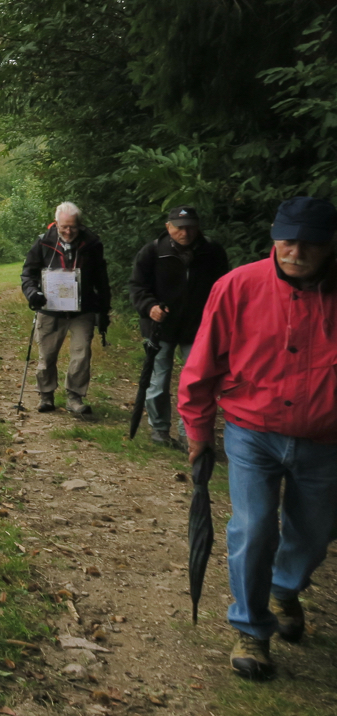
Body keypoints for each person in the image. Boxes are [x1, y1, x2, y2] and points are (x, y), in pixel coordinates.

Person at [179, 196, 337, 681]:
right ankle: (251, 628)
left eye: (309, 242)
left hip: (326, 438)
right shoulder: (237, 287)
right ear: (274, 237)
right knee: (252, 528)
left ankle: (285, 588)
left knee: (315, 535)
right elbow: (202, 364)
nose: (296, 250)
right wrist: (199, 431)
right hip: (252, 431)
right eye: (288, 239)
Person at [127, 206, 229, 447]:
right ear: (169, 227)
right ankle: (159, 428)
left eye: (191, 226)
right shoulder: (152, 251)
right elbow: (136, 287)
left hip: (198, 328)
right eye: (180, 227)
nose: (186, 232)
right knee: (158, 380)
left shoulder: (212, 252)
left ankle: (189, 432)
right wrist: (149, 306)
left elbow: (224, 288)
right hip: (159, 328)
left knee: (195, 382)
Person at [20, 201, 112, 417]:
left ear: (80, 225)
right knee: (47, 354)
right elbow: (28, 274)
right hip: (50, 309)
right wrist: (33, 294)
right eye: (64, 227)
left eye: (73, 226)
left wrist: (103, 310)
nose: (68, 231)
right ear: (56, 224)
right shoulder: (43, 243)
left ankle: (75, 397)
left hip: (83, 310)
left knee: (81, 354)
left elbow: (102, 278)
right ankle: (46, 395)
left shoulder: (92, 244)